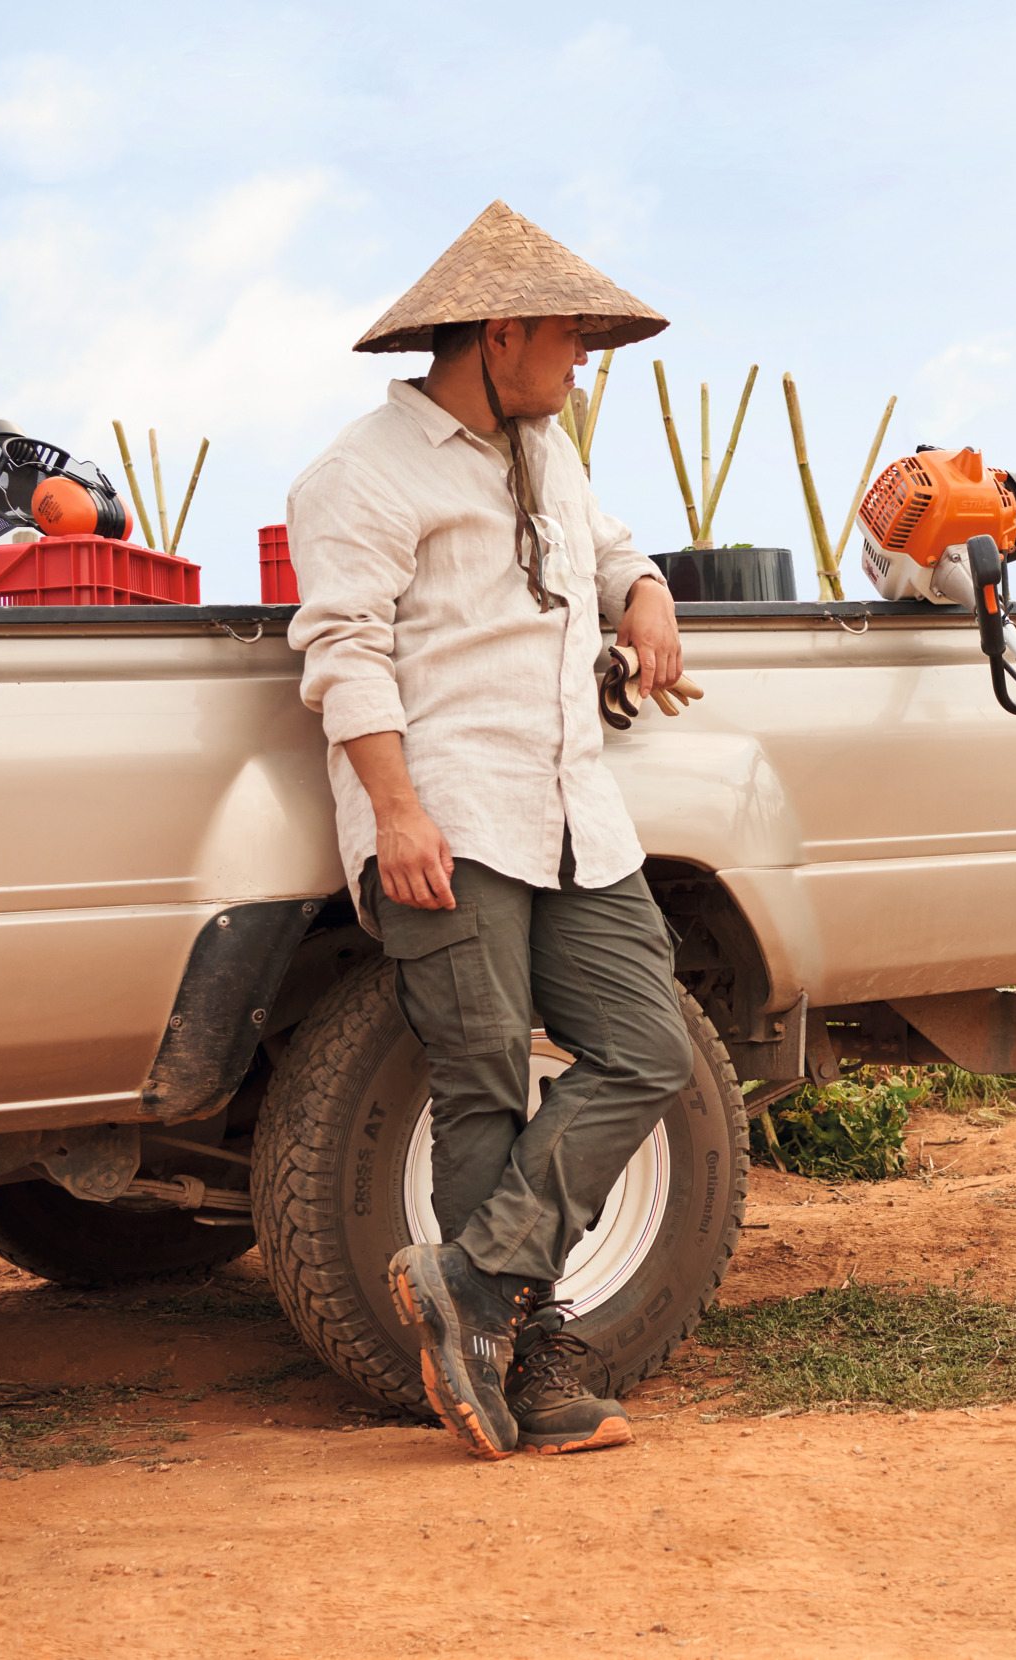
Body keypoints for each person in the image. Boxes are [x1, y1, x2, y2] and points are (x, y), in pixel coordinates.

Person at [287, 201, 692, 1460]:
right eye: (571, 342)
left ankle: (476, 1281)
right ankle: (535, 1359)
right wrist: (396, 812)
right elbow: (342, 650)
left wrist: (649, 593)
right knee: (479, 1087)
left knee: (649, 1044)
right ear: (500, 333)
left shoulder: (545, 451)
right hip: (447, 816)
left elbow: (610, 545)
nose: (585, 368)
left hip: (574, 808)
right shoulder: (359, 472)